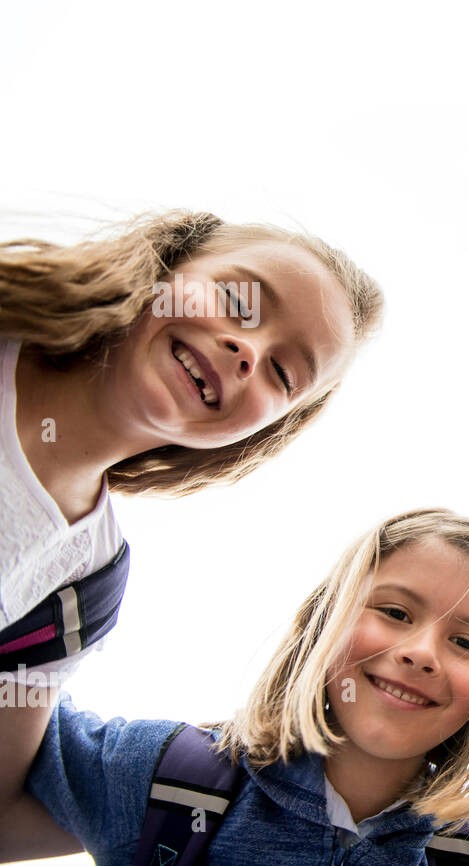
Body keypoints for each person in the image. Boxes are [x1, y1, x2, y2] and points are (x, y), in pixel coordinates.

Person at [0, 508, 469, 866]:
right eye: (394, 612)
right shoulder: (160, 775)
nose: (421, 652)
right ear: (326, 621)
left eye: (465, 643)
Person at [0, 210, 384, 806]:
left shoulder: (81, 590)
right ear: (165, 267)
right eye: (236, 299)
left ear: (263, 431)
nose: (245, 349)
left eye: (282, 373)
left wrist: (238, 789)